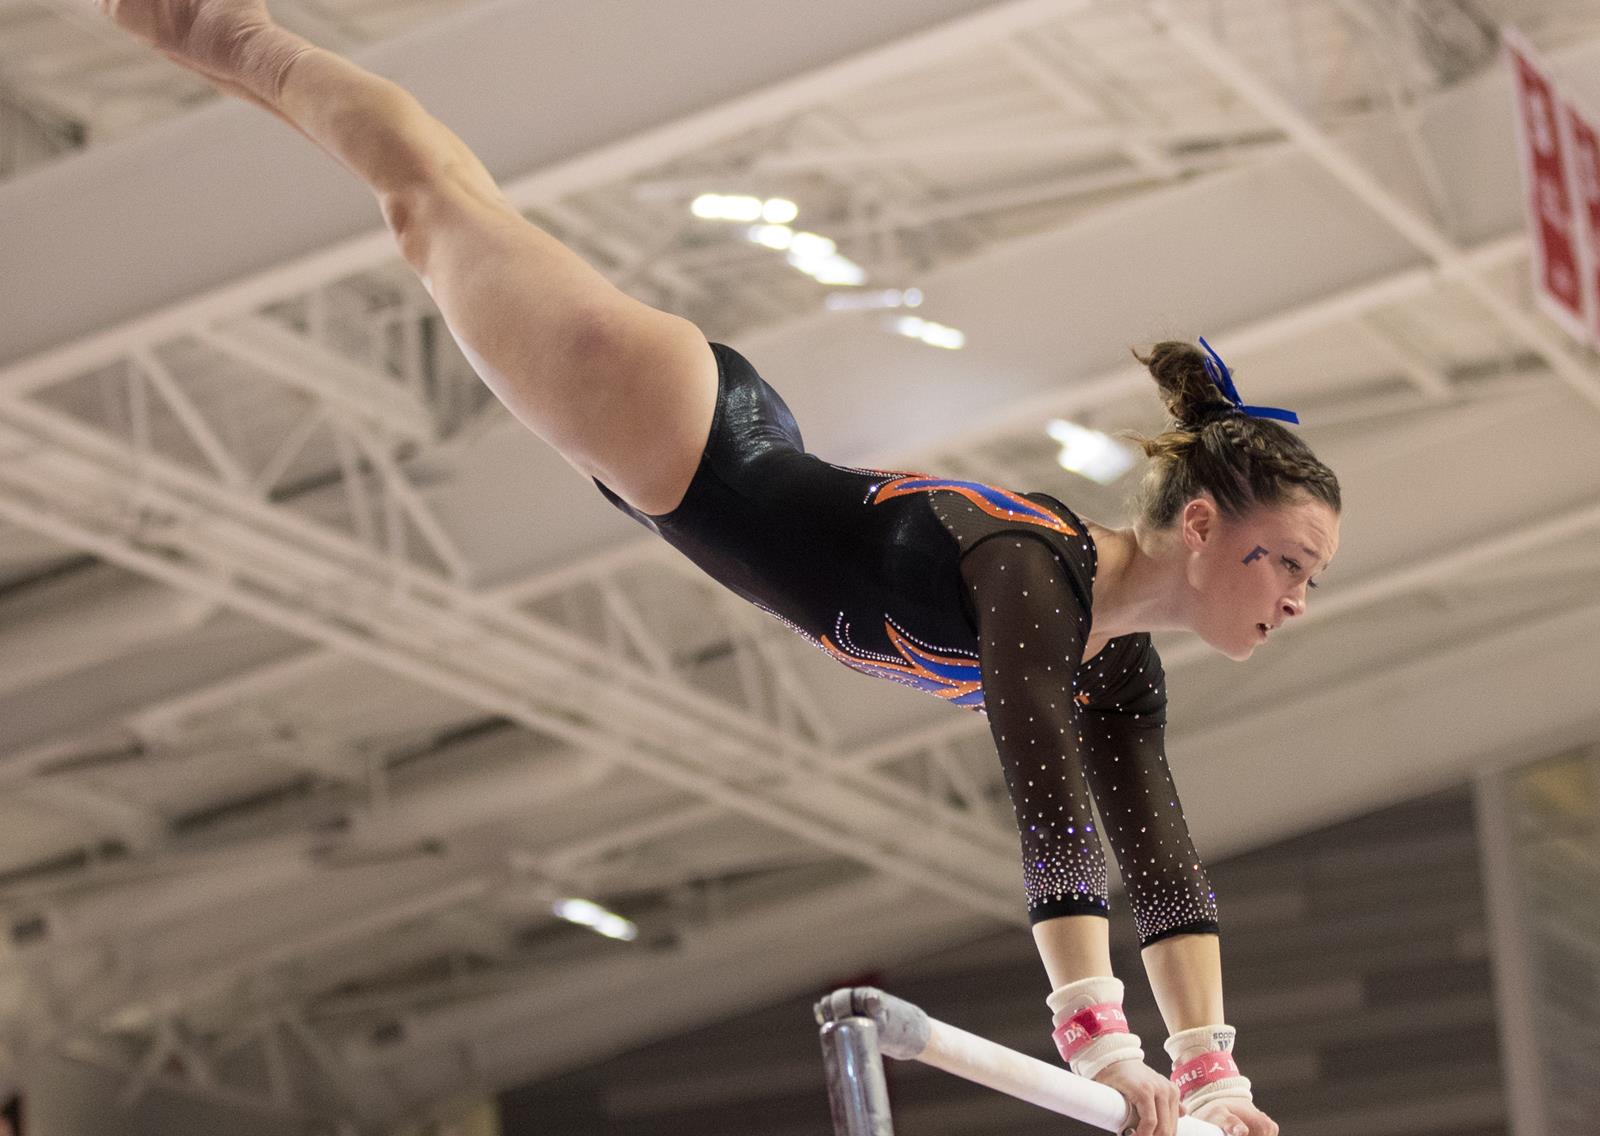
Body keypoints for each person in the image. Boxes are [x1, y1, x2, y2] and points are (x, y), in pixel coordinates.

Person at [97, 5, 1341, 1135]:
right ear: (1196, 526)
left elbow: (1161, 861)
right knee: (431, 203)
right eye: (1282, 559)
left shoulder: (1117, 664)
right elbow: (1047, 801)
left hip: (706, 446)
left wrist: (1214, 1073)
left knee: (440, 206)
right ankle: (227, 32)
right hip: (690, 441)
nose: (1292, 595)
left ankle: (215, 37)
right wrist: (1096, 1035)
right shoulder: (1035, 568)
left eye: (1313, 579)